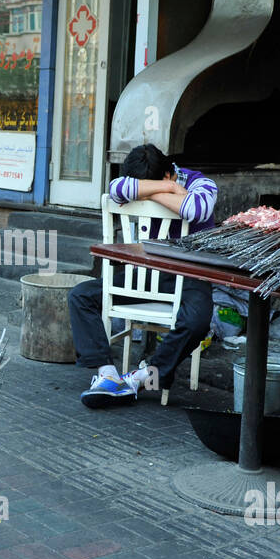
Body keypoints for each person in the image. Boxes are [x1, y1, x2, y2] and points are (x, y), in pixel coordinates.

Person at [68, 144, 218, 407]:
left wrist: (148, 193)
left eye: (162, 184)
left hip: (192, 274)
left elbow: (197, 209)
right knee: (80, 296)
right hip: (148, 273)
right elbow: (115, 189)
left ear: (169, 174)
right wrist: (168, 191)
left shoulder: (201, 183)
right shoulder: (163, 184)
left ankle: (143, 377)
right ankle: (108, 374)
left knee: (197, 322)